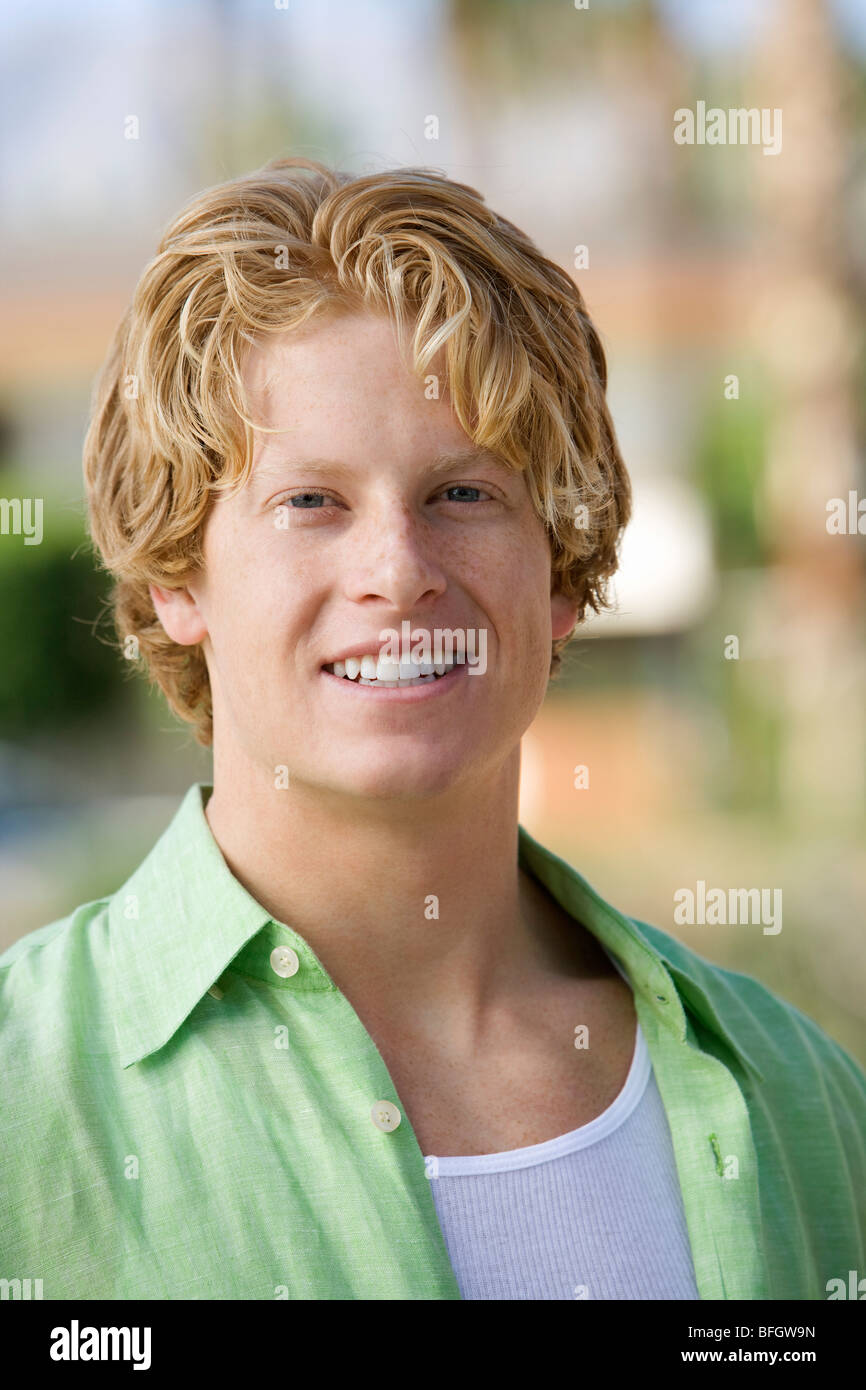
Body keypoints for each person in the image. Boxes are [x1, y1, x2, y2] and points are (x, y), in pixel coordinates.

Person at [1, 157, 863, 1302]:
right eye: (310, 501)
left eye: (462, 494)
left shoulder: (800, 1099)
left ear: (558, 576)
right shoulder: (24, 1096)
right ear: (175, 577)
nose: (397, 573)